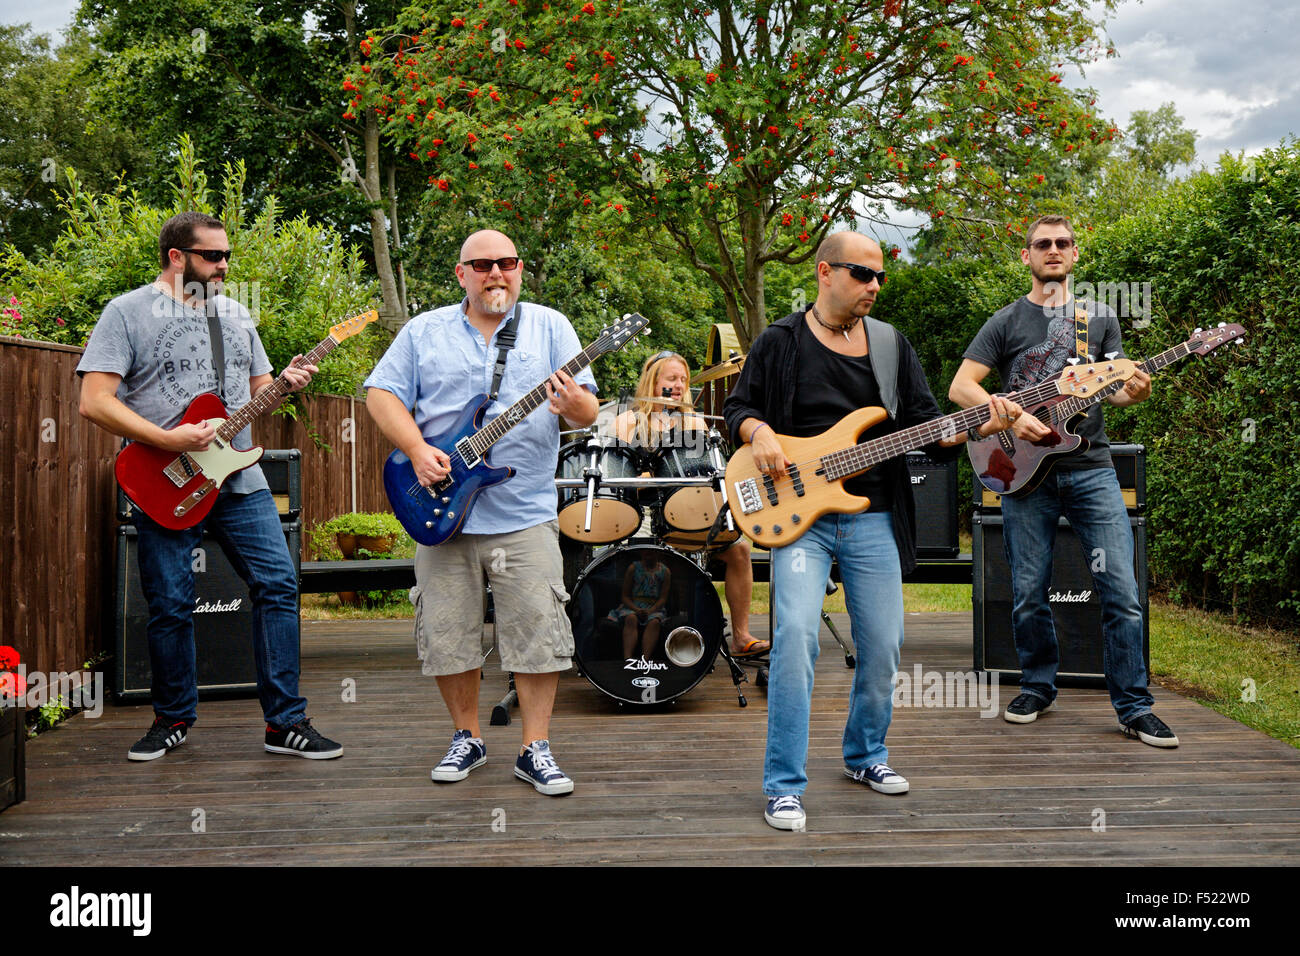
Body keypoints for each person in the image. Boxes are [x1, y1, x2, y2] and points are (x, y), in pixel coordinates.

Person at [724, 231, 1022, 830]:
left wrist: (977, 424)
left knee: (884, 647)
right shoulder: (780, 341)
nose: (875, 286)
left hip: (874, 514)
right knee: (797, 642)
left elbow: (928, 427)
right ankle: (784, 784)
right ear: (825, 273)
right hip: (798, 520)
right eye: (863, 275)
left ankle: (865, 755)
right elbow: (738, 408)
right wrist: (758, 434)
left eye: (881, 276)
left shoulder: (890, 345)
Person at [77, 211, 343, 761]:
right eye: (212, 256)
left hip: (238, 479)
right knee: (171, 603)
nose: (223, 266)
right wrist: (169, 439)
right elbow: (94, 401)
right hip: (165, 481)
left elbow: (258, 389)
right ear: (177, 257)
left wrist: (285, 383)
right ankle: (171, 718)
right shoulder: (126, 313)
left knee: (277, 586)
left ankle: (284, 723)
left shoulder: (237, 314)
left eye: (227, 257)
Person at [365, 229, 598, 796]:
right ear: (461, 274)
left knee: (538, 631)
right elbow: (380, 394)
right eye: (484, 265)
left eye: (509, 263)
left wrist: (574, 405)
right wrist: (418, 450)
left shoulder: (550, 326)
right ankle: (466, 736)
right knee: (447, 632)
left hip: (523, 513)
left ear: (520, 269)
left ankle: (534, 748)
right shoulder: (424, 332)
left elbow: (587, 409)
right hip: (444, 516)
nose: (498, 273)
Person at [948, 214, 1177, 748]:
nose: (1053, 250)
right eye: (1041, 244)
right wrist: (1007, 415)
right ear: (1026, 256)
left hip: (1091, 466)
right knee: (1028, 591)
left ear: (1075, 255)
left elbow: (1115, 388)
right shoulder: (1004, 321)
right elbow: (962, 387)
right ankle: (1037, 686)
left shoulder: (1097, 320)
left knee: (1121, 590)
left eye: (1063, 243)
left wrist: (1136, 392)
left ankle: (1134, 707)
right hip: (1022, 473)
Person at [613, 352, 769, 657]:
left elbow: (702, 472)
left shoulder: (694, 422)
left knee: (738, 549)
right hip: (644, 514)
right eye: (672, 379)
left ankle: (740, 637)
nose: (680, 385)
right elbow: (618, 475)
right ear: (653, 381)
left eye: (683, 380)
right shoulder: (626, 422)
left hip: (689, 512)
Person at [607, 551, 671, 659]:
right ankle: (627, 659)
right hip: (633, 606)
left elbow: (663, 598)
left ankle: (644, 659)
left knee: (654, 622)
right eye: (646, 553)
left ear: (657, 554)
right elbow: (625, 596)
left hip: (654, 608)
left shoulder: (665, 571)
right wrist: (636, 609)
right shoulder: (633, 568)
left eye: (651, 553)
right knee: (631, 618)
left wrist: (650, 611)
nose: (648, 555)